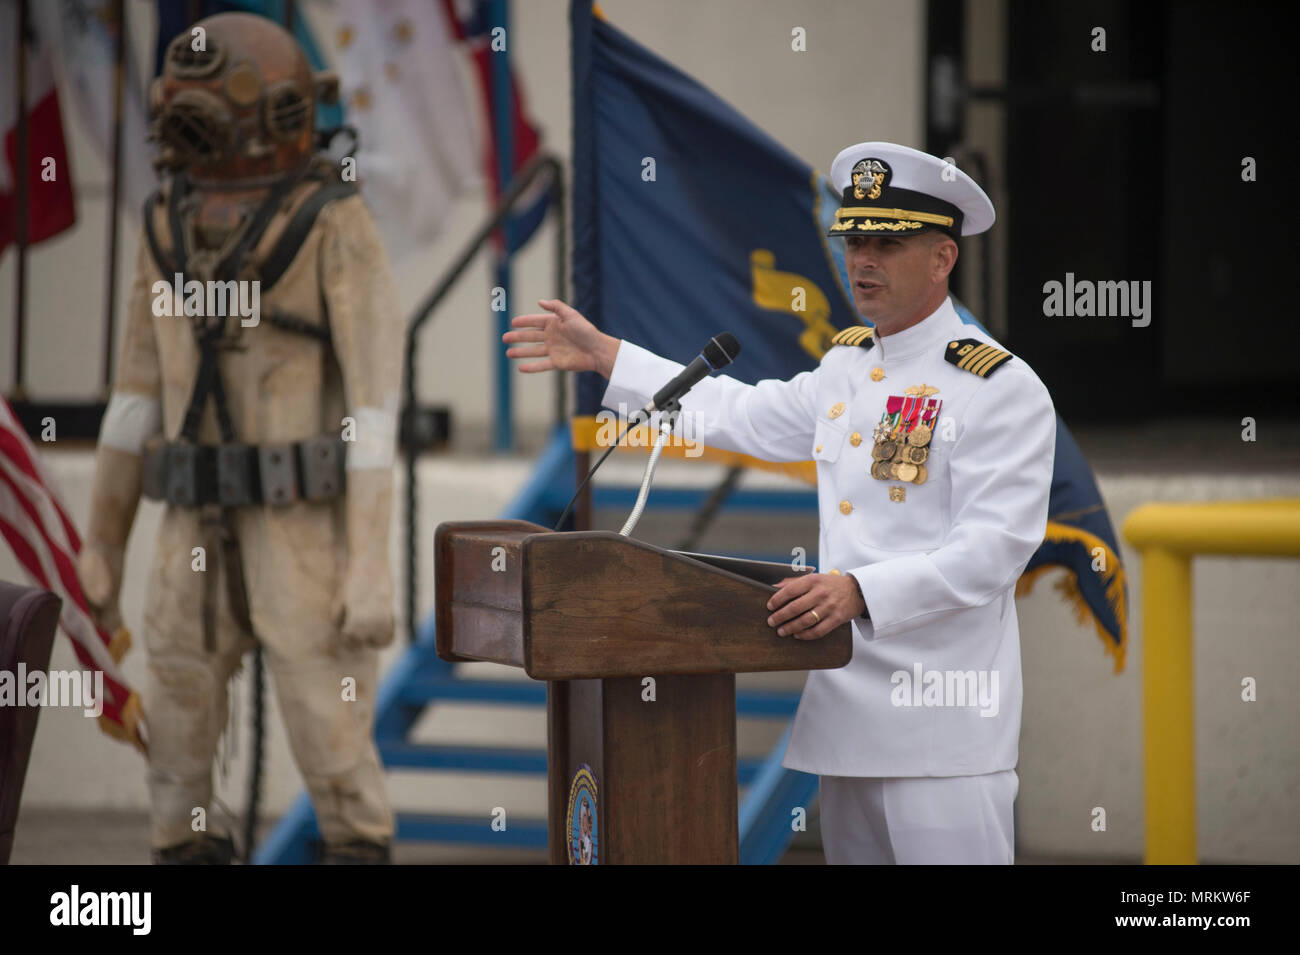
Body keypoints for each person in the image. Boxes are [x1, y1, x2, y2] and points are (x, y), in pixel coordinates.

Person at [503, 142, 1056, 864]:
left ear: (942, 257)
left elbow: (993, 550)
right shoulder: (847, 366)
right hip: (848, 721)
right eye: (854, 241)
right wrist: (610, 356)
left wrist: (859, 590)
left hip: (942, 734)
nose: (863, 260)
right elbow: (742, 414)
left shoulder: (999, 387)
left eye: (887, 243)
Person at [76, 13, 400, 864]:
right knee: (176, 735)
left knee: (330, 731)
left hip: (301, 526)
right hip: (191, 523)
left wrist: (370, 565)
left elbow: (374, 409)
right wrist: (101, 541)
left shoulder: (332, 224)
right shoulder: (164, 225)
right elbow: (134, 395)